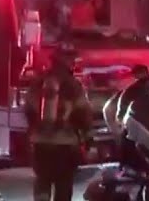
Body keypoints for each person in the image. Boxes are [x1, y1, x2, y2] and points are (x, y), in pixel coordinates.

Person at [23, 46, 92, 201]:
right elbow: (84, 114)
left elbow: (28, 109)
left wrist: (35, 131)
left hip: (40, 144)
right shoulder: (74, 85)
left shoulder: (38, 81)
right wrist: (87, 139)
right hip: (65, 145)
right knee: (64, 185)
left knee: (42, 181)